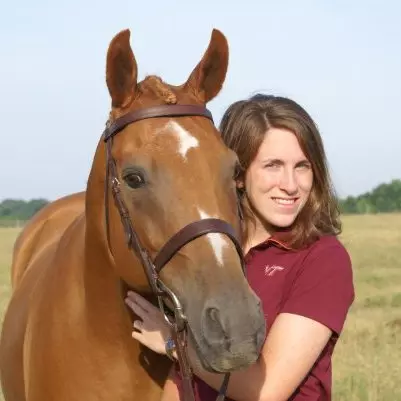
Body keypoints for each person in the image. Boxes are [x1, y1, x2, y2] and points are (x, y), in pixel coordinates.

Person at [124, 93, 355, 401]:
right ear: (239, 176)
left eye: (302, 166)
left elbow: (268, 389)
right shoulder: (213, 253)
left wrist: (171, 343)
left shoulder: (323, 259)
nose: (291, 184)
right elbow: (180, 380)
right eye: (273, 165)